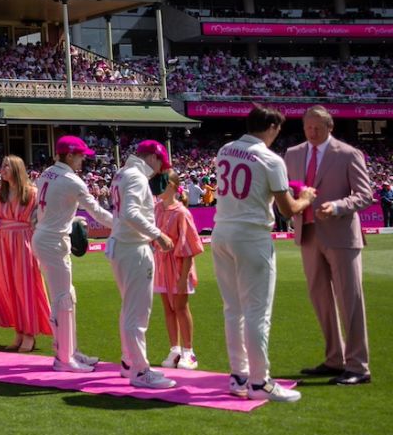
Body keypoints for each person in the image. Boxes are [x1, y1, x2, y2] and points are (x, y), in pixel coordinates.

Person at [211, 104, 315, 402]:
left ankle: (239, 375)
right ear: (271, 127)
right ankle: (259, 382)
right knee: (257, 312)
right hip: (251, 235)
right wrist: (305, 197)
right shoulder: (270, 159)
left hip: (222, 231)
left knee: (233, 309)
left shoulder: (225, 149)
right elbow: (288, 209)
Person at [284, 105, 373, 386]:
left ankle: (358, 366)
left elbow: (364, 195)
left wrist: (337, 206)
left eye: (317, 128)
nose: (312, 132)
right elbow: (288, 190)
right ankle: (335, 359)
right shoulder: (293, 154)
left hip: (341, 236)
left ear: (329, 127)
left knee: (350, 301)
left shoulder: (348, 154)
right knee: (321, 300)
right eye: (308, 127)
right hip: (307, 234)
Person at [32, 135, 114, 373]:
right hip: (53, 241)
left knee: (67, 297)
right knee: (63, 300)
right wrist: (123, 225)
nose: (83, 160)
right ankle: (64, 358)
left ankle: (69, 350)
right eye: (80, 156)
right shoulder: (72, 181)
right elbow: (97, 212)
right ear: (69, 155)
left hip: (47, 236)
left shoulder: (46, 174)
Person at [106, 140, 176, 390]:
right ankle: (139, 369)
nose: (159, 171)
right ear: (153, 158)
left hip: (123, 245)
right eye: (160, 164)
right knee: (137, 312)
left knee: (130, 309)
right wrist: (157, 234)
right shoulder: (135, 176)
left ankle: (129, 362)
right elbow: (131, 212)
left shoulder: (123, 173)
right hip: (132, 248)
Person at [0, 155, 50, 353]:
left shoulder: (32, 193)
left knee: (25, 288)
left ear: (17, 168)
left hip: (24, 241)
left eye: (6, 166)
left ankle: (29, 333)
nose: (2, 169)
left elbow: (41, 219)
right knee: (8, 287)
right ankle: (19, 331)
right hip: (3, 243)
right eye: (2, 165)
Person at [154, 168, 204, 371]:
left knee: (181, 307)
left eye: (162, 184)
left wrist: (184, 277)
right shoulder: (157, 209)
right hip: (161, 266)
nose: (157, 188)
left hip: (178, 267)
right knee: (168, 308)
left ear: (172, 187)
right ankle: (174, 349)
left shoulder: (182, 212)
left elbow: (189, 247)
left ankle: (188, 351)